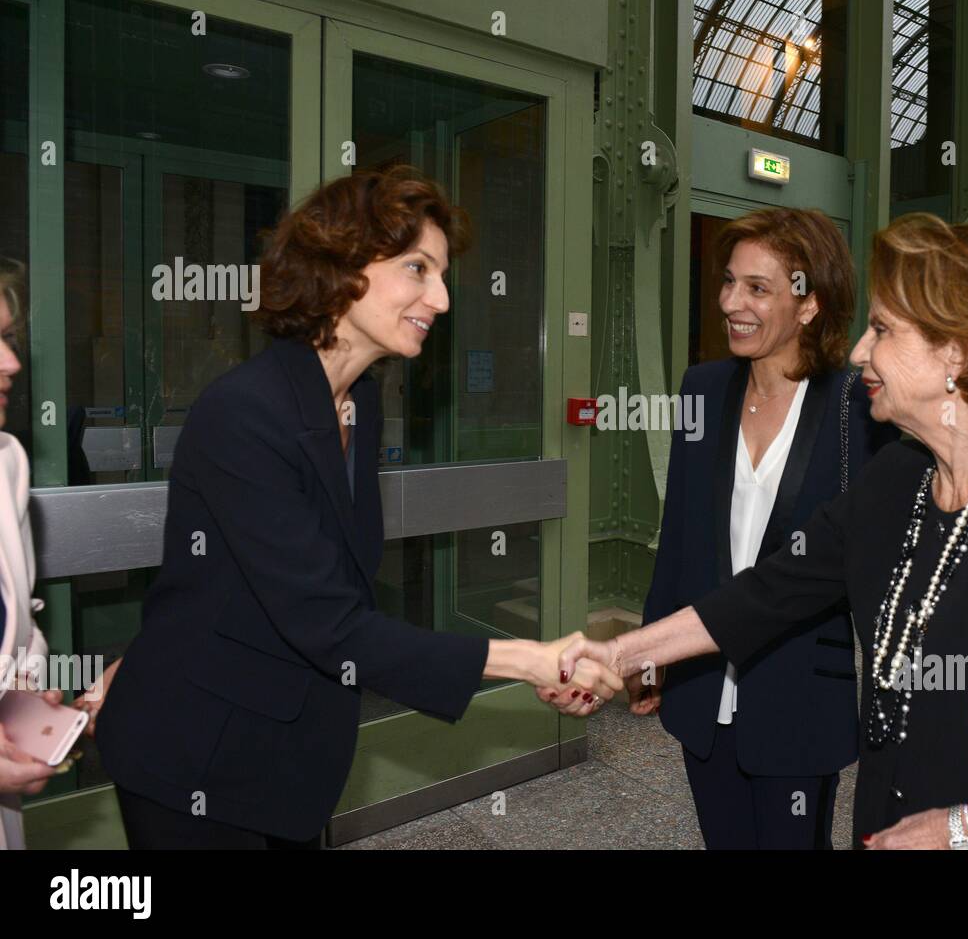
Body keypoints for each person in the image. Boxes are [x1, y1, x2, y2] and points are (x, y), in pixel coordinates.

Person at [558, 213, 968, 849]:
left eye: (883, 329)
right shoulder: (897, 479)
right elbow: (764, 594)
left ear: (959, 350)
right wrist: (620, 654)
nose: (860, 350)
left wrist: (962, 829)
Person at [89, 166, 620, 849]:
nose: (443, 298)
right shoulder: (244, 414)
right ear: (342, 265)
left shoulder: (356, 401)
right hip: (200, 760)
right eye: (418, 268)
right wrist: (529, 658)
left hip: (289, 759)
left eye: (442, 272)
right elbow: (330, 622)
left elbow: (300, 582)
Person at [631, 208, 897, 848]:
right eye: (728, 282)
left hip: (801, 695)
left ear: (808, 305)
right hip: (701, 687)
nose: (730, 302)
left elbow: (876, 564)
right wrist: (649, 649)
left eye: (757, 287)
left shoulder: (860, 406)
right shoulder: (701, 389)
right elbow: (679, 537)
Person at [0, 259, 69, 850]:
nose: (12, 364)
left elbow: (21, 622)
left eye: (7, 338)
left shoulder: (7, 464)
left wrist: (24, 693)